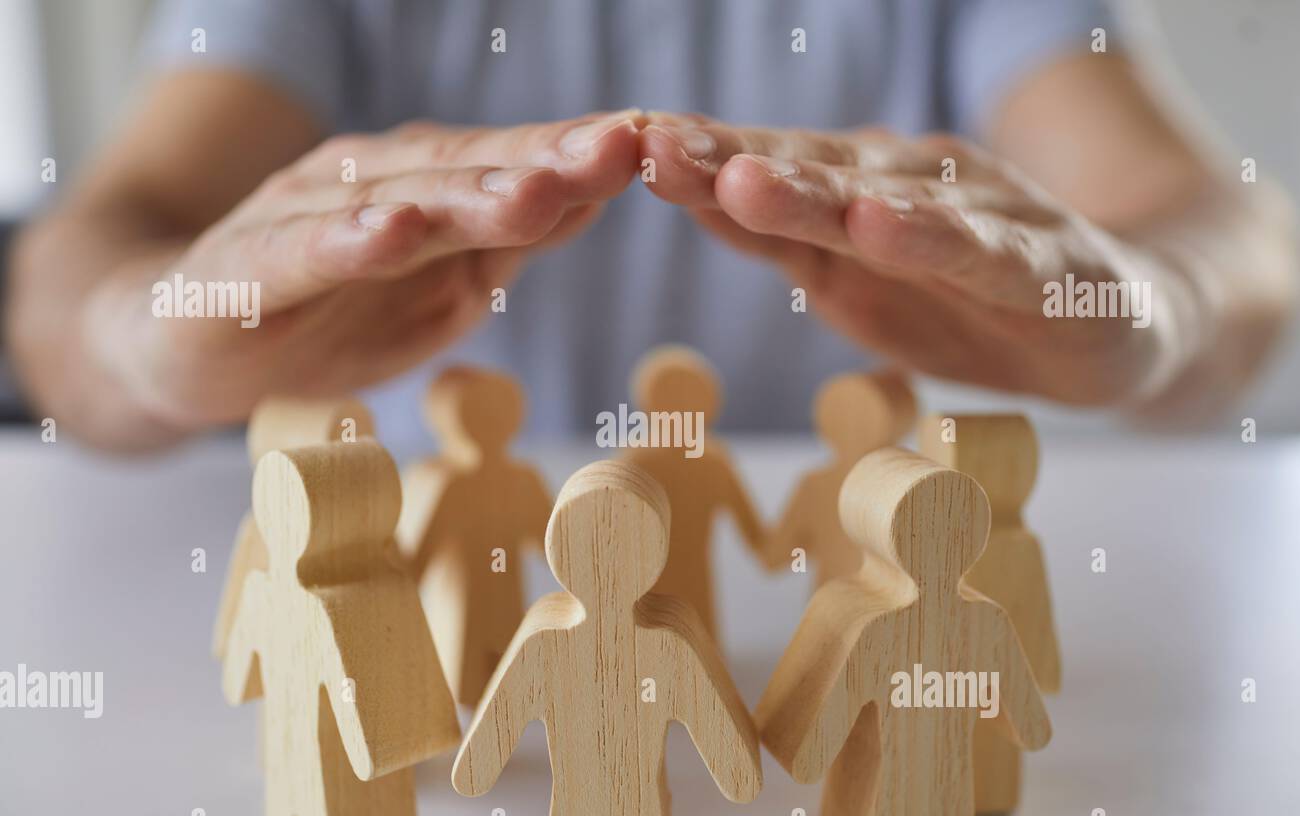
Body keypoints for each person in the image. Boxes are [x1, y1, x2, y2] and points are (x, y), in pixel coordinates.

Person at [4, 0, 1295, 453]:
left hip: (801, 612)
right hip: (436, 620)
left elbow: (1229, 231)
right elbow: (100, 241)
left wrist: (1160, 311)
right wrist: (136, 344)